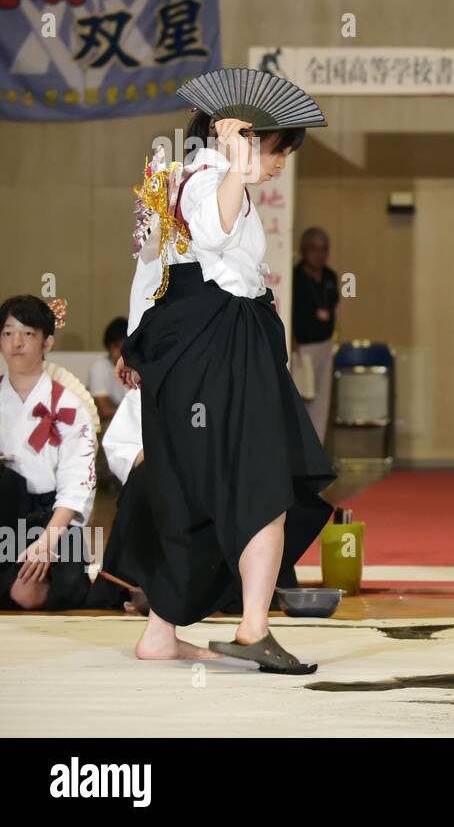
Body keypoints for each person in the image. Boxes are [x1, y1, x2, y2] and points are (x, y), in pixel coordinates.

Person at [108, 73, 335, 672]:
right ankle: (254, 627)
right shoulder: (208, 174)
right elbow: (211, 230)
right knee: (263, 483)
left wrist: (138, 343)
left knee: (190, 483)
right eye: (278, 148)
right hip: (219, 344)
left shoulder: (180, 175)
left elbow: (151, 268)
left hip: (194, 338)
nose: (282, 162)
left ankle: (161, 633)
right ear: (243, 137)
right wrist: (236, 165)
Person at [0, 296, 98, 611]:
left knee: (31, 593)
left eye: (27, 333)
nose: (16, 342)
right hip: (4, 512)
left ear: (47, 342)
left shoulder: (69, 406)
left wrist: (46, 542)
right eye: (7, 333)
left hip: (51, 520)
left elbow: (77, 484)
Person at [292, 227, 340, 443]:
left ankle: (317, 449)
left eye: (324, 249)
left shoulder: (330, 276)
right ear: (303, 250)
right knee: (302, 399)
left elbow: (333, 308)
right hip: (302, 347)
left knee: (322, 401)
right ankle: (300, 452)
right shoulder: (296, 277)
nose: (319, 254)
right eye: (314, 249)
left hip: (325, 344)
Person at [88, 317, 128, 423]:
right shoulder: (99, 367)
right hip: (110, 424)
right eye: (116, 346)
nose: (121, 352)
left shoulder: (140, 367)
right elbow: (105, 411)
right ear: (108, 347)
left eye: (125, 347)